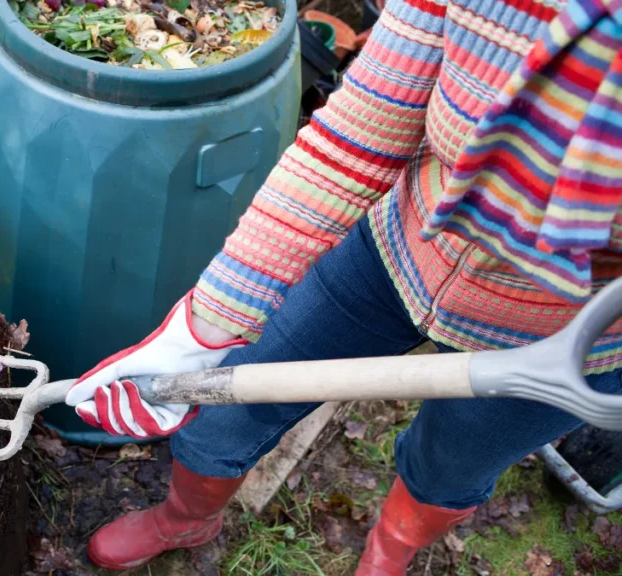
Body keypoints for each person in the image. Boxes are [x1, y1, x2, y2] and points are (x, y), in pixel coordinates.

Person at [64, 0, 622, 572]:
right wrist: (203, 326)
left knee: (450, 469)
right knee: (220, 416)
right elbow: (358, 134)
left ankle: (390, 548)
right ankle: (185, 520)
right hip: (392, 254)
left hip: (562, 337)